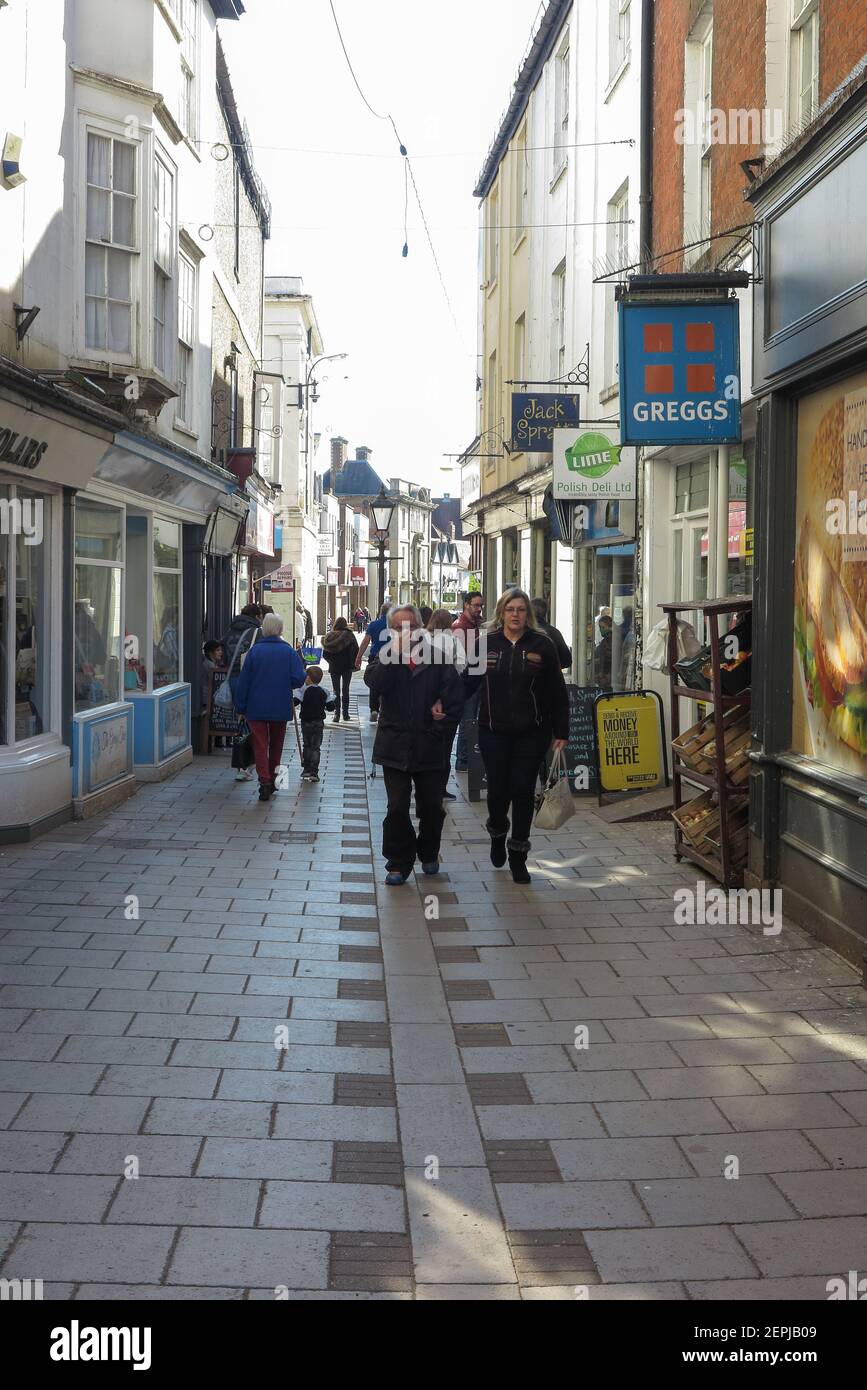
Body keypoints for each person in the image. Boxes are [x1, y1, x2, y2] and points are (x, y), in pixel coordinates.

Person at [365, 604, 464, 885]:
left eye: (410, 626)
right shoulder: (386, 658)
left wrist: (439, 728)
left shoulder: (439, 660)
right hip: (394, 744)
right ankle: (398, 861)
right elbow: (375, 683)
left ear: (421, 628)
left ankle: (429, 850)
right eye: (398, 627)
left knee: (431, 806)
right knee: (396, 807)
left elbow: (455, 702)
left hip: (429, 745)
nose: (405, 632)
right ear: (390, 630)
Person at [478, 588, 569, 884]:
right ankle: (497, 830)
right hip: (494, 730)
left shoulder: (542, 644)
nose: (515, 615)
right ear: (501, 613)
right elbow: (466, 683)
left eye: (520, 609)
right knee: (498, 791)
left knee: (522, 788)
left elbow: (557, 690)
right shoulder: (486, 643)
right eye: (509, 609)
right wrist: (440, 703)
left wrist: (561, 731)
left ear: (527, 613)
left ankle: (518, 854)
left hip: (533, 731)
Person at [233, 613, 307, 801]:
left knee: (260, 744)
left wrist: (240, 707)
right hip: (280, 705)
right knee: (276, 745)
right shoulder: (289, 652)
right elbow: (299, 678)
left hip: (256, 706)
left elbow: (244, 682)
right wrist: (286, 682)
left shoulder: (255, 652)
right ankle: (274, 779)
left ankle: (264, 781)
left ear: (264, 629)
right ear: (281, 629)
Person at [427, 608, 468, 802]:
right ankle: (441, 787)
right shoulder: (452, 640)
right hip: (448, 697)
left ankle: (427, 785)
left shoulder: (424, 639)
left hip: (426, 696)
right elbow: (461, 665)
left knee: (428, 742)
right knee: (446, 742)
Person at [452, 591, 484, 771]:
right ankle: (463, 760)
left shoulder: (476, 624)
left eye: (480, 605)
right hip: (468, 679)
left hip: (478, 678)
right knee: (468, 720)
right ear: (466, 605)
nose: (479, 609)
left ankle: (468, 757)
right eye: (476, 605)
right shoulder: (460, 626)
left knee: (473, 720)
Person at [295, 665, 335, 783]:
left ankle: (306, 768)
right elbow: (331, 707)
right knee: (316, 747)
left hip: (306, 722)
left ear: (309, 678)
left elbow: (295, 702)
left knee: (307, 745)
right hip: (318, 723)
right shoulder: (324, 691)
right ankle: (314, 772)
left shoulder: (303, 690)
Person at [355, 601, 392, 722]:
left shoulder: (374, 624)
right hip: (393, 658)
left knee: (374, 683)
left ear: (381, 612)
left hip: (375, 658)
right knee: (391, 683)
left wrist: (359, 657)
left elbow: (366, 641)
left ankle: (374, 709)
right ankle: (387, 709)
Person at [322, 616, 359, 722]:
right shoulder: (350, 636)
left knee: (336, 691)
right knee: (346, 690)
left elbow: (325, 654)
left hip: (334, 667)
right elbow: (356, 649)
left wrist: (331, 661)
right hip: (347, 666)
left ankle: (336, 714)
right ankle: (346, 714)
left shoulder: (330, 636)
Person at [531, 597, 572, 671]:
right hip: (550, 678)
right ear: (545, 613)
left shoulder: (524, 632)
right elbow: (567, 661)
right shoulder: (554, 632)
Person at [594, 612, 614, 689]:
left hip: (609, 677)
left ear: (610, 627)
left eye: (603, 627)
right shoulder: (605, 641)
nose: (601, 630)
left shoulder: (613, 640)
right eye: (600, 628)